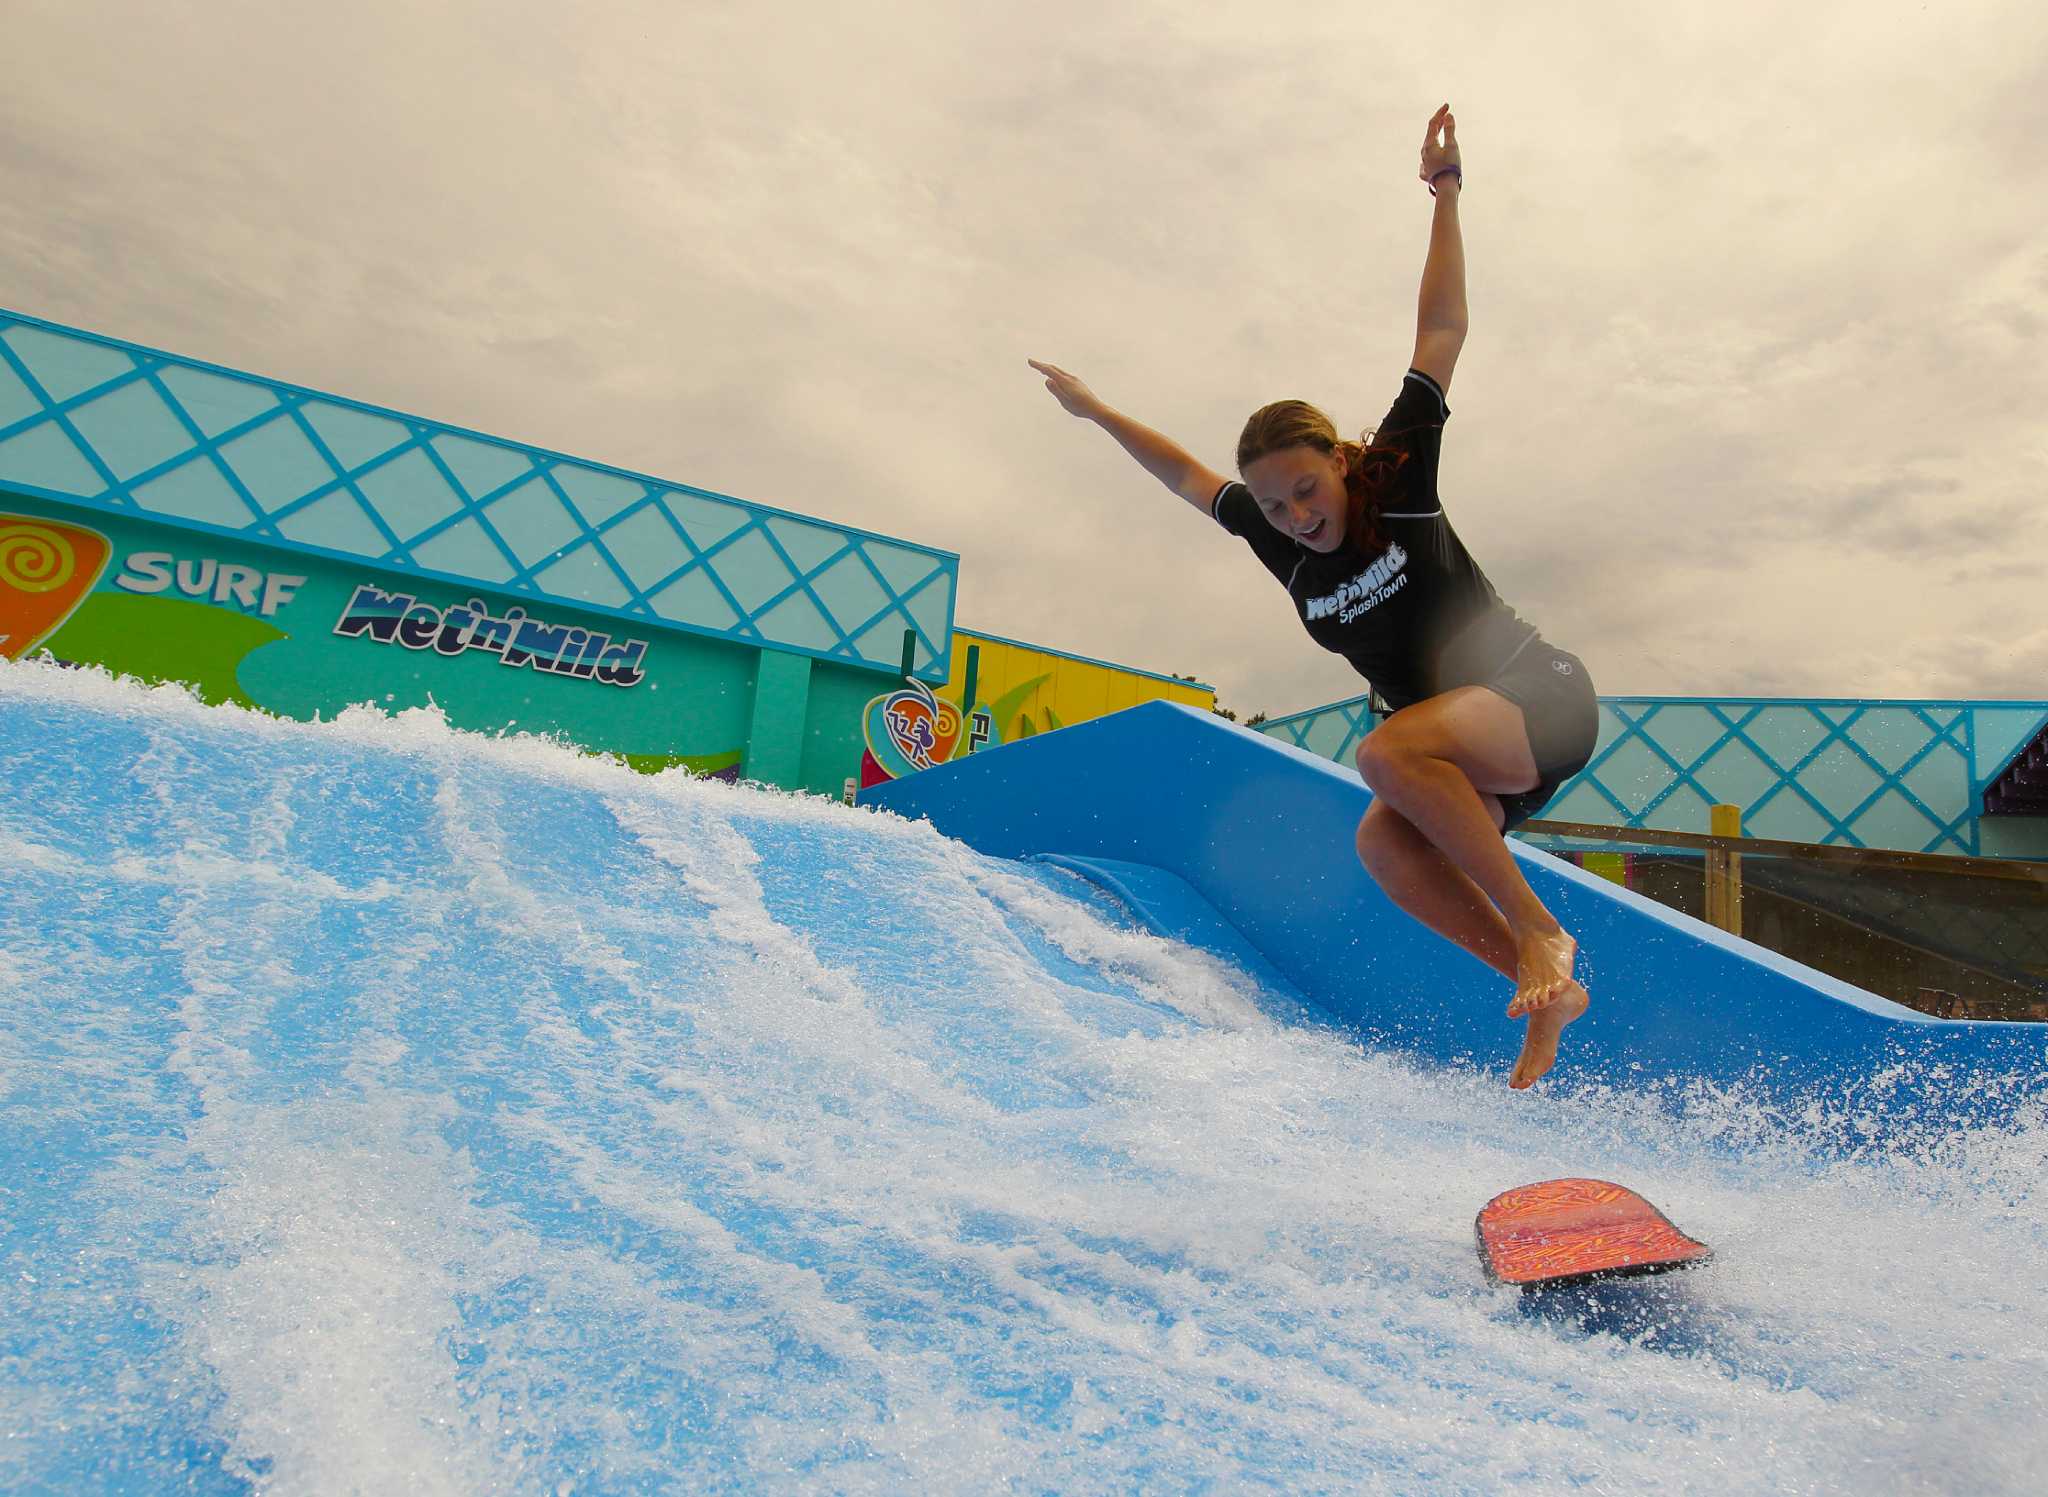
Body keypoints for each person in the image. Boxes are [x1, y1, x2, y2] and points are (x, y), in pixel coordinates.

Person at [1028, 105, 1599, 1089]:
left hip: (1537, 700)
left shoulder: (1394, 477)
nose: (1295, 516)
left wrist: (1446, 190)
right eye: (1274, 505)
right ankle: (1538, 986)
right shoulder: (1268, 533)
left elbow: (1442, 329)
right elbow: (1183, 474)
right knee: (1383, 843)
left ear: (1338, 462)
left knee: (1384, 752)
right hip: (1474, 756)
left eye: (1305, 490)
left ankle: (1540, 929)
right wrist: (1096, 412)